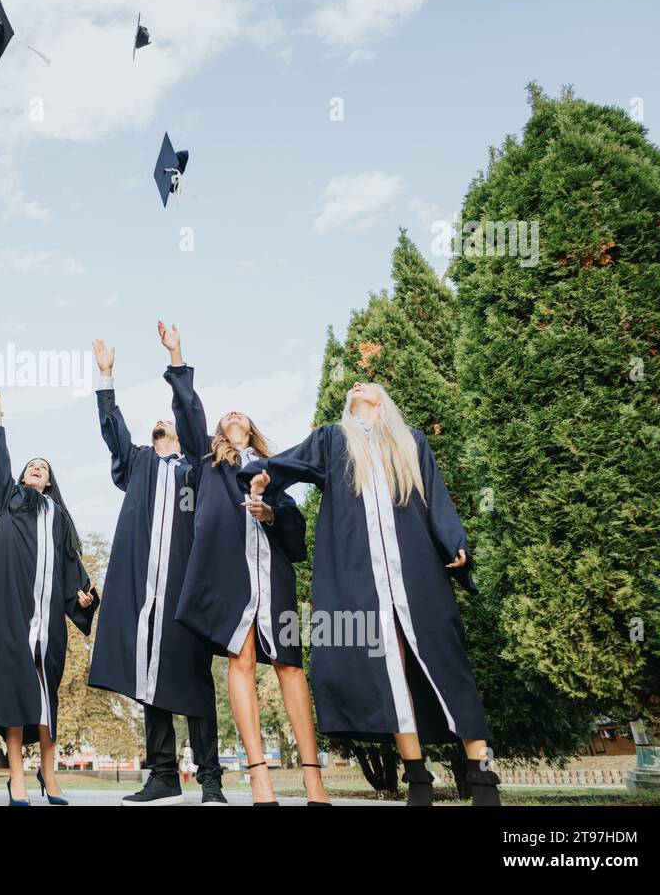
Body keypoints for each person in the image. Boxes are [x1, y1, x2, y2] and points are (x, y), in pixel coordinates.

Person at [241, 380, 500, 805]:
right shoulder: (333, 440)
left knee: (448, 665)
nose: (357, 384)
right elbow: (284, 465)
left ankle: (483, 777)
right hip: (362, 579)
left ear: (383, 399)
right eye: (354, 386)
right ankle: (417, 778)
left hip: (418, 574)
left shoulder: (410, 442)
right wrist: (259, 476)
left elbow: (436, 500)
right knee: (390, 672)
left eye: (368, 383)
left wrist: (456, 542)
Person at [167, 323, 330, 806]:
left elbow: (296, 534)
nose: (235, 414)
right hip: (229, 575)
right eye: (228, 414)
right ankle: (258, 776)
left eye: (243, 413)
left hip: (272, 574)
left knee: (289, 664)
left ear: (253, 429)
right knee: (241, 658)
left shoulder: (273, 468)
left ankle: (312, 775)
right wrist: (178, 355)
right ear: (220, 431)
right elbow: (189, 410)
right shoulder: (208, 463)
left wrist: (270, 511)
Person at [86, 335, 226, 806]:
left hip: (186, 591)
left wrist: (175, 358)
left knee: (193, 678)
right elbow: (112, 429)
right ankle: (163, 774)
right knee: (149, 677)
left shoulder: (196, 468)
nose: (164, 421)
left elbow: (190, 411)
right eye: (159, 422)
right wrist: (105, 377)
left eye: (171, 421)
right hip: (141, 591)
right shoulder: (138, 465)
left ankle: (211, 779)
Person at [0, 387, 98, 805]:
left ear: (50, 481)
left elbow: (71, 570)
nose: (35, 468)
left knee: (47, 693)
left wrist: (81, 599)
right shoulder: (9, 501)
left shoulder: (59, 517)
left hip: (47, 622)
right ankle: (17, 777)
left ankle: (48, 772)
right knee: (13, 689)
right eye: (30, 465)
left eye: (42, 467)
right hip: (11, 615)